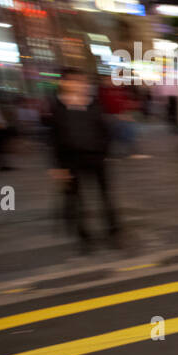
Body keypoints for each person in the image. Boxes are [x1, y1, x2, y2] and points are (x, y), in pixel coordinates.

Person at [46, 67, 120, 252]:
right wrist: (57, 166)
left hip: (96, 157)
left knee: (105, 197)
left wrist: (104, 151)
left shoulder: (93, 103)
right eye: (75, 81)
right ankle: (84, 237)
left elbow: (105, 130)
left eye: (82, 81)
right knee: (77, 200)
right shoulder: (57, 107)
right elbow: (53, 138)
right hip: (70, 160)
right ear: (64, 83)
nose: (80, 85)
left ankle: (113, 232)